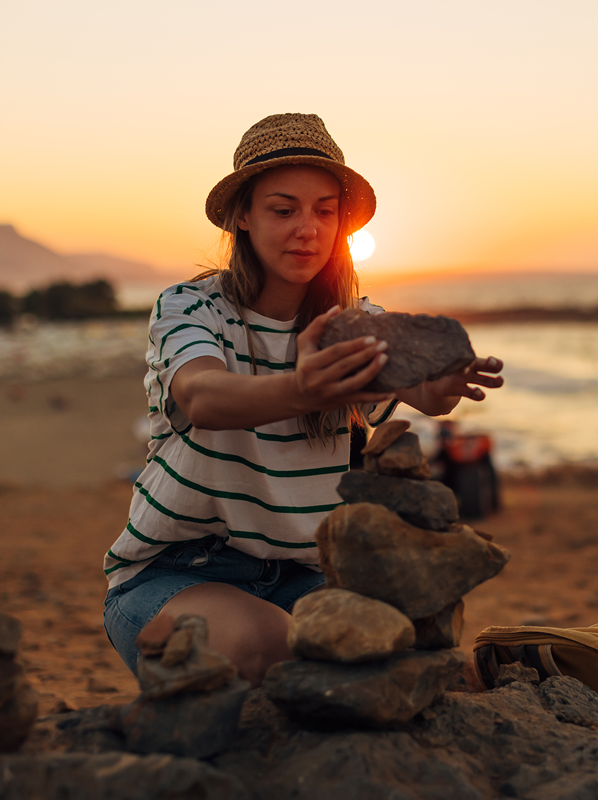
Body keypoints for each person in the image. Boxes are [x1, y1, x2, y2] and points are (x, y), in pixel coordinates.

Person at [102, 114, 503, 686]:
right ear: (243, 216)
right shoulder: (192, 308)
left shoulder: (357, 323)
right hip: (176, 573)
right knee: (268, 645)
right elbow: (202, 395)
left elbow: (422, 390)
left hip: (306, 574)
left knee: (408, 658)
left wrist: (438, 386)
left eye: (324, 210)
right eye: (283, 209)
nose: (308, 229)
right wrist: (302, 389)